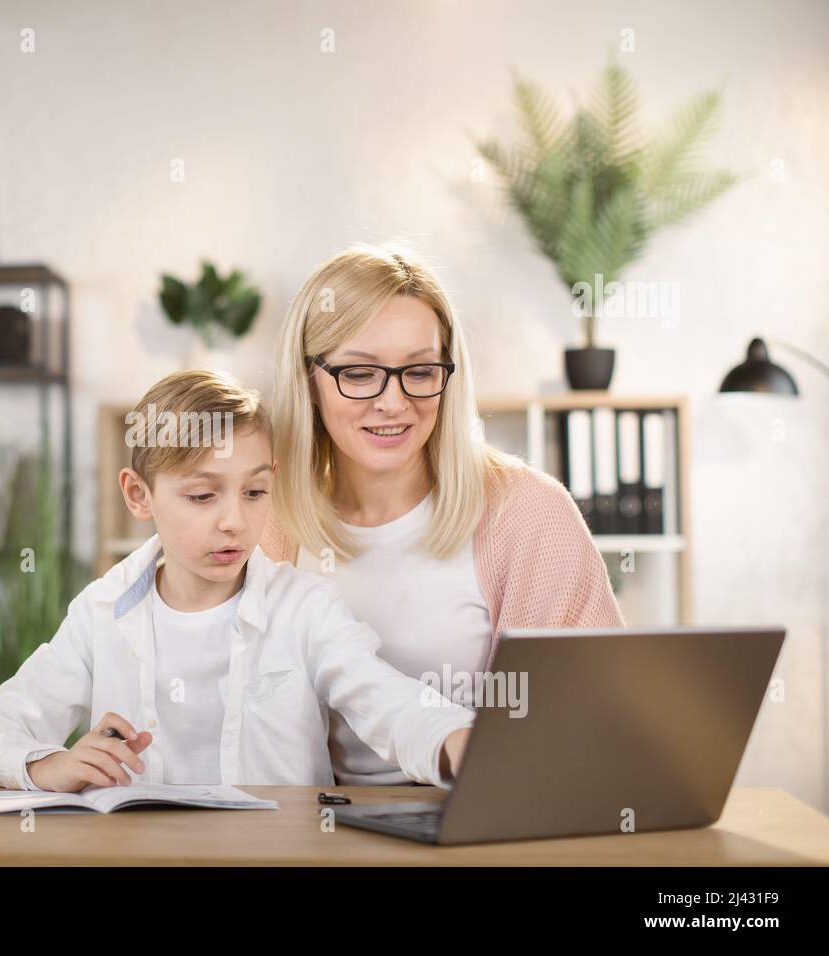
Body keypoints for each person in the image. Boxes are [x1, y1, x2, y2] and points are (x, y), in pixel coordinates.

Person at [0, 368, 474, 792]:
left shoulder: (304, 608)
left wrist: (460, 740)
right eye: (202, 496)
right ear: (138, 495)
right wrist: (47, 765)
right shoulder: (101, 611)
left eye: (254, 492)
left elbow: (390, 703)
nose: (234, 521)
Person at [260, 240, 623, 785]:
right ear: (308, 381)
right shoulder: (265, 512)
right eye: (359, 374)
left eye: (421, 370)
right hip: (314, 834)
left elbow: (597, 716)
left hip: (479, 820)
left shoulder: (528, 513)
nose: (393, 402)